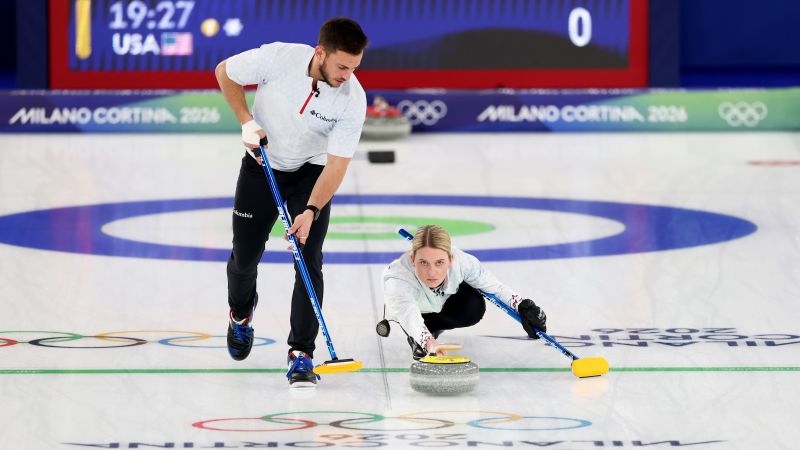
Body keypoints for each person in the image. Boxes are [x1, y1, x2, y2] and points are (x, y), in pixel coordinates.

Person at [214, 17, 368, 387]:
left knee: (308, 258)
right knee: (245, 255)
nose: (348, 75)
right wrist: (246, 121)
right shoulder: (280, 58)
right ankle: (240, 314)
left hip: (311, 174)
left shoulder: (352, 99)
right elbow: (225, 73)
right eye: (342, 66)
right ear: (320, 53)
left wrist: (311, 210)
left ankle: (301, 353)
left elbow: (336, 165)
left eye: (355, 67)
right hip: (261, 164)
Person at [382, 225, 548, 359]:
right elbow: (409, 316)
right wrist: (427, 341)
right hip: (418, 310)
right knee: (416, 325)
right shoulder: (398, 281)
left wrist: (521, 305)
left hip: (442, 303)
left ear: (451, 259)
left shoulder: (463, 262)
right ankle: (421, 333)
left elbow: (494, 288)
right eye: (423, 263)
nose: (432, 273)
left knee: (473, 306)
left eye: (439, 262)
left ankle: (434, 326)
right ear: (413, 260)